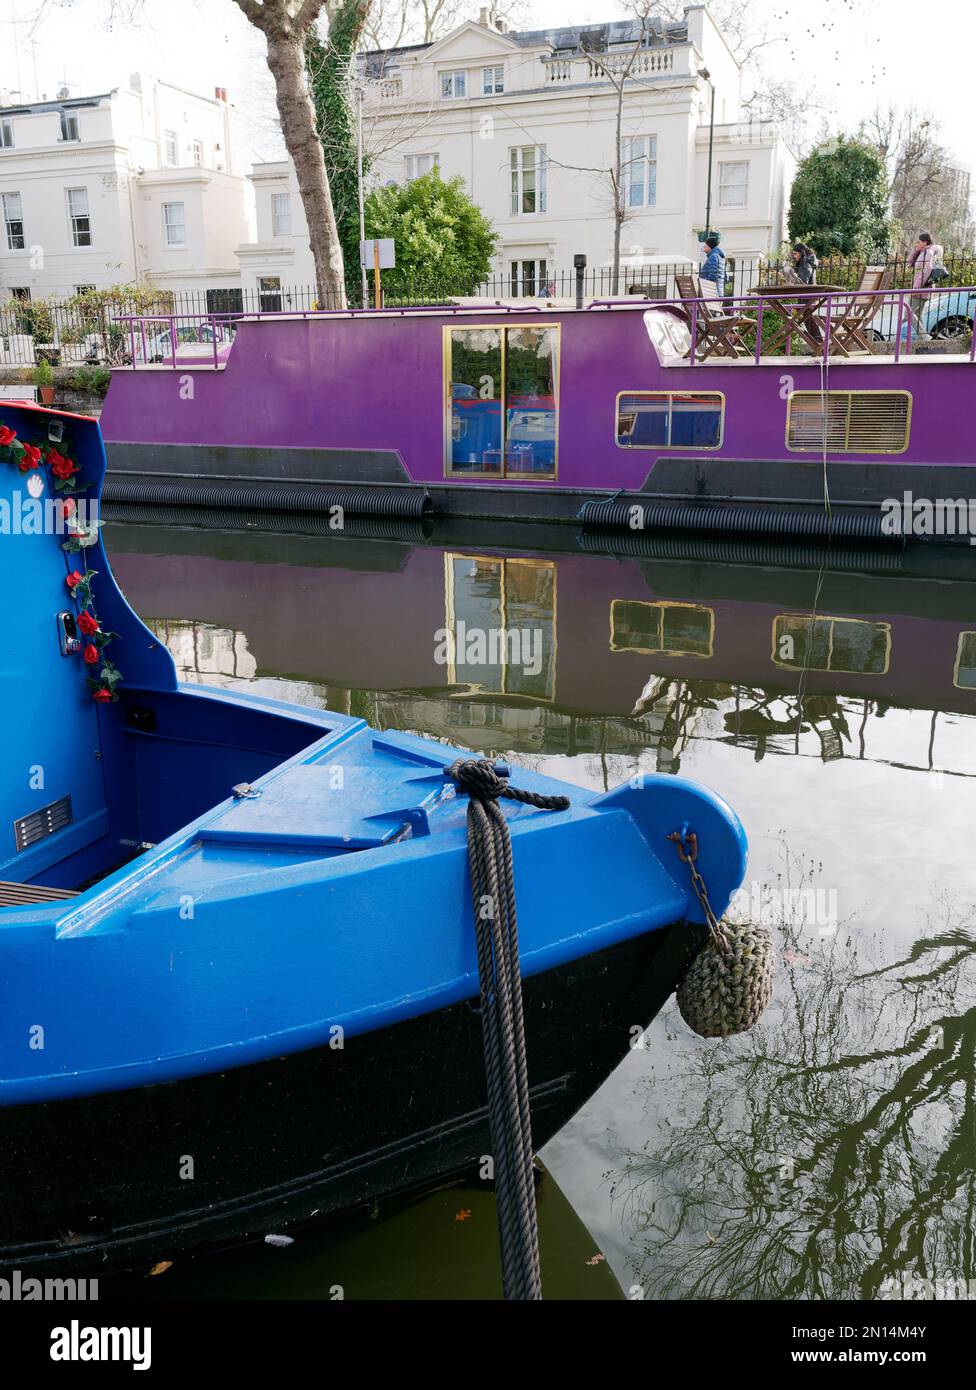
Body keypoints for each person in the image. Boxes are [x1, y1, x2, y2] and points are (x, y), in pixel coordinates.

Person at [909, 232, 945, 339]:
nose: (917, 243)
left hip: (920, 288)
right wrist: (916, 249)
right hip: (925, 288)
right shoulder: (923, 252)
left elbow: (928, 270)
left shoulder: (928, 253)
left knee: (908, 314)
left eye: (919, 242)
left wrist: (917, 286)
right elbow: (910, 262)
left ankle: (924, 336)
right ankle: (924, 340)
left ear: (925, 242)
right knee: (919, 315)